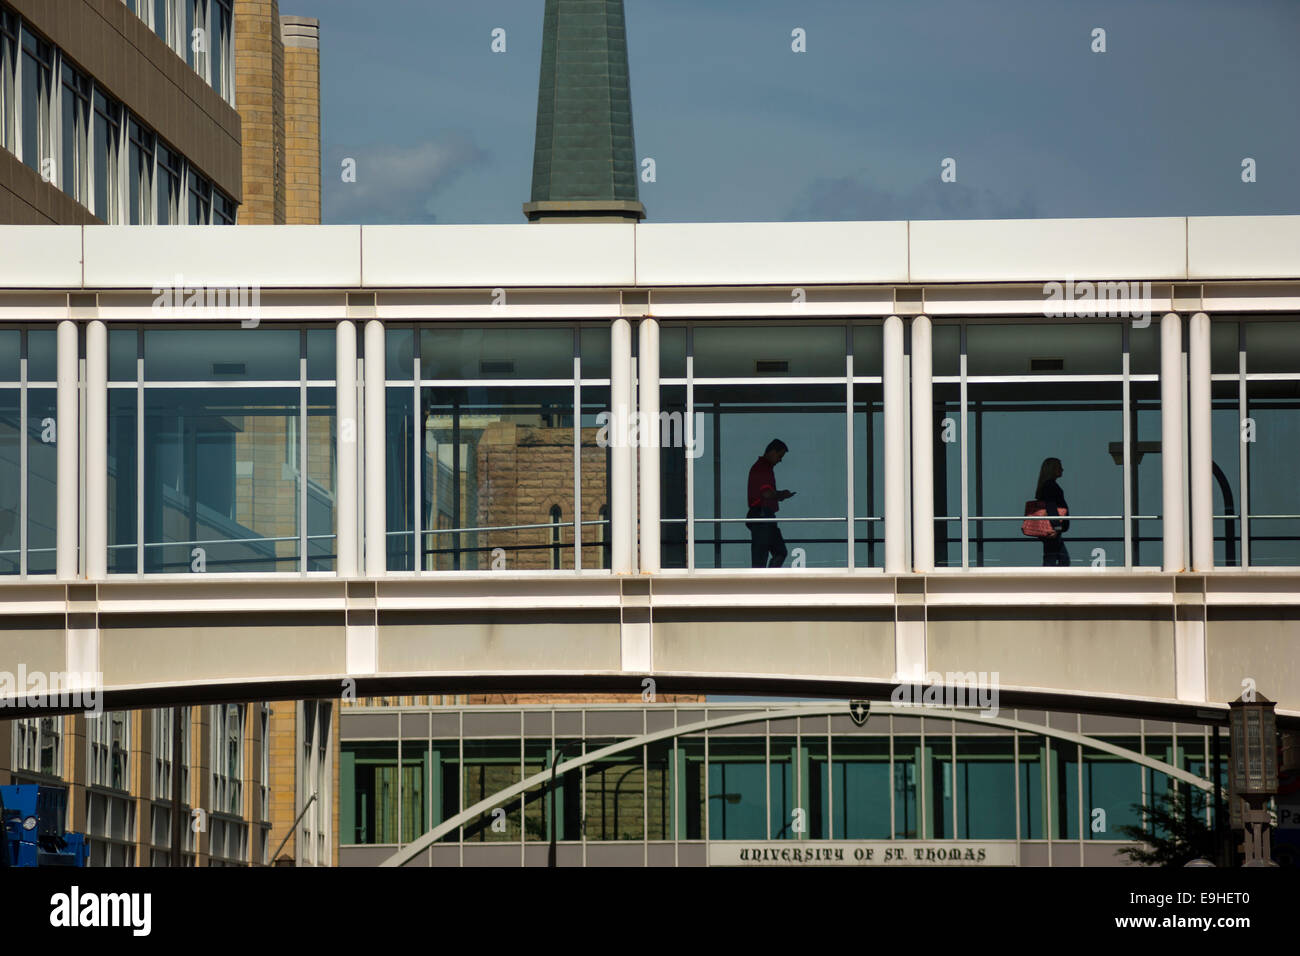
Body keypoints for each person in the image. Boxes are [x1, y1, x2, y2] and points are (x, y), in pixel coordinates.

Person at [747, 439, 795, 568]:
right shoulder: (762, 467)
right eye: (779, 456)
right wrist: (781, 495)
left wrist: (779, 495)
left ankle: (765, 582)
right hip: (762, 517)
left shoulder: (763, 467)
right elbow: (766, 493)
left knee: (775, 553)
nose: (780, 460)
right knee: (763, 557)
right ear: (772, 452)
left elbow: (767, 493)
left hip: (764, 517)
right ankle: (761, 584)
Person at [1035, 457, 1070, 567]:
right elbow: (1051, 507)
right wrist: (1057, 528)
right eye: (1059, 467)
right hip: (1052, 530)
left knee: (1056, 558)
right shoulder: (1050, 486)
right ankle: (1047, 583)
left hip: (1052, 529)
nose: (1062, 469)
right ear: (1052, 469)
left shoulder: (1048, 485)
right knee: (1054, 559)